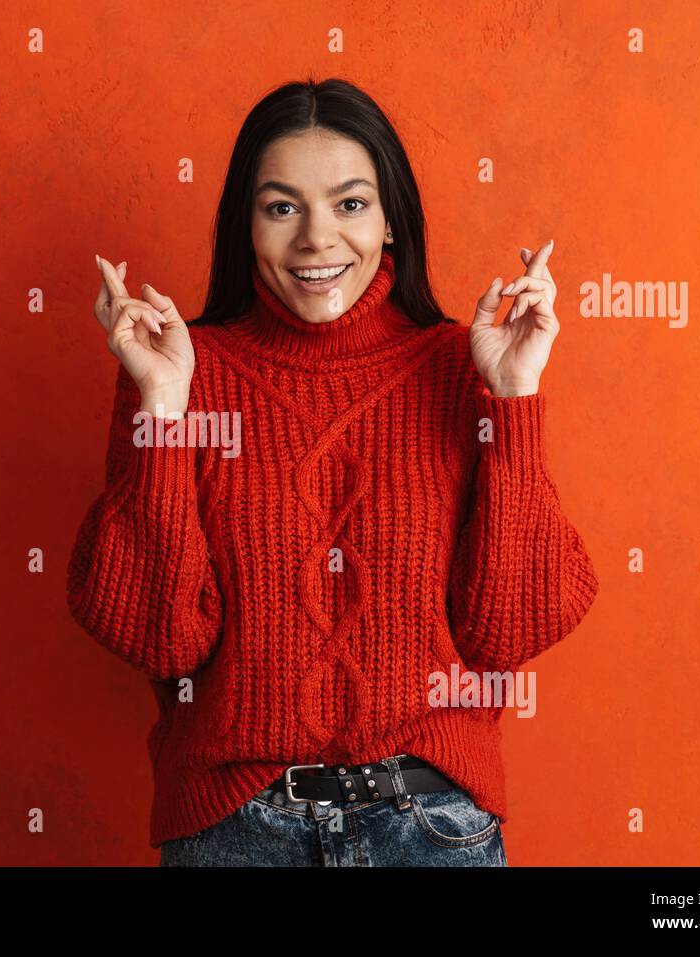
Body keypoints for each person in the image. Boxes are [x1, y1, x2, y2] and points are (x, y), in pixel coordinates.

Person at [66, 78, 600, 866]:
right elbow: (162, 640)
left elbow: (508, 632)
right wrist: (162, 406)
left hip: (430, 829)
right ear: (247, 227)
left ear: (391, 222)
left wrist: (514, 395)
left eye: (350, 204)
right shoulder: (183, 371)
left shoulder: (462, 369)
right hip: (236, 831)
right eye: (282, 207)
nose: (318, 238)